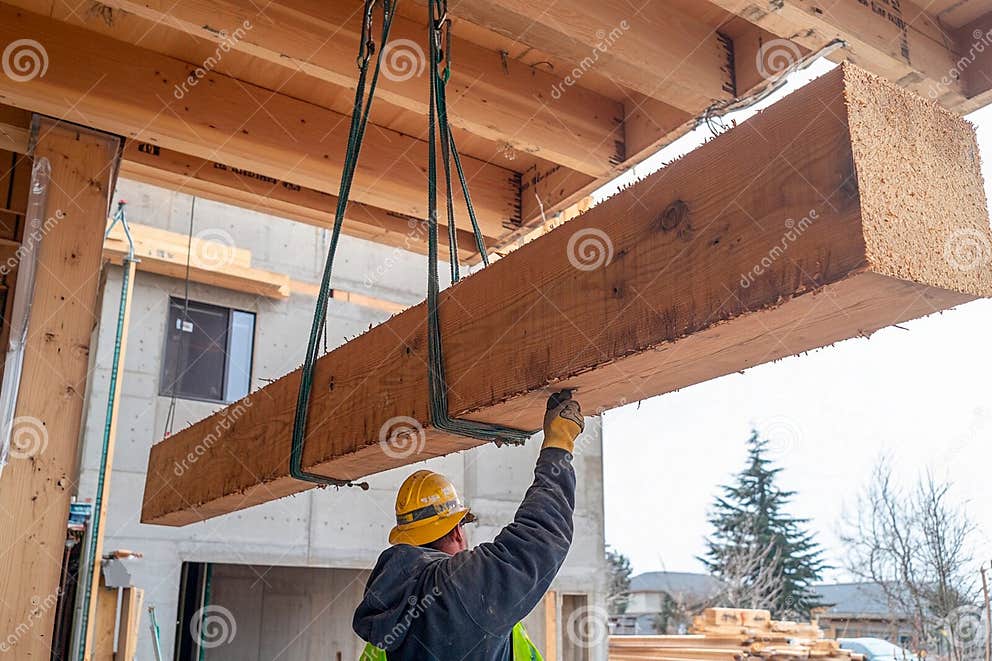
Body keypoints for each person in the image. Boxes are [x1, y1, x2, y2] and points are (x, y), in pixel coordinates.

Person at [353, 393, 585, 660]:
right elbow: (539, 538)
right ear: (456, 531)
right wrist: (559, 444)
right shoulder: (458, 589)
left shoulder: (387, 606)